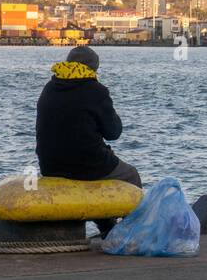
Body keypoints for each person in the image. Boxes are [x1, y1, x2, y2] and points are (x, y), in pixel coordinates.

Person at [36, 47, 142, 238]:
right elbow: (113, 132)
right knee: (131, 176)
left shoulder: (49, 87)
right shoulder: (96, 90)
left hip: (50, 166)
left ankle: (107, 228)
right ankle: (130, 233)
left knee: (96, 175)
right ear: (94, 69)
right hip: (87, 165)